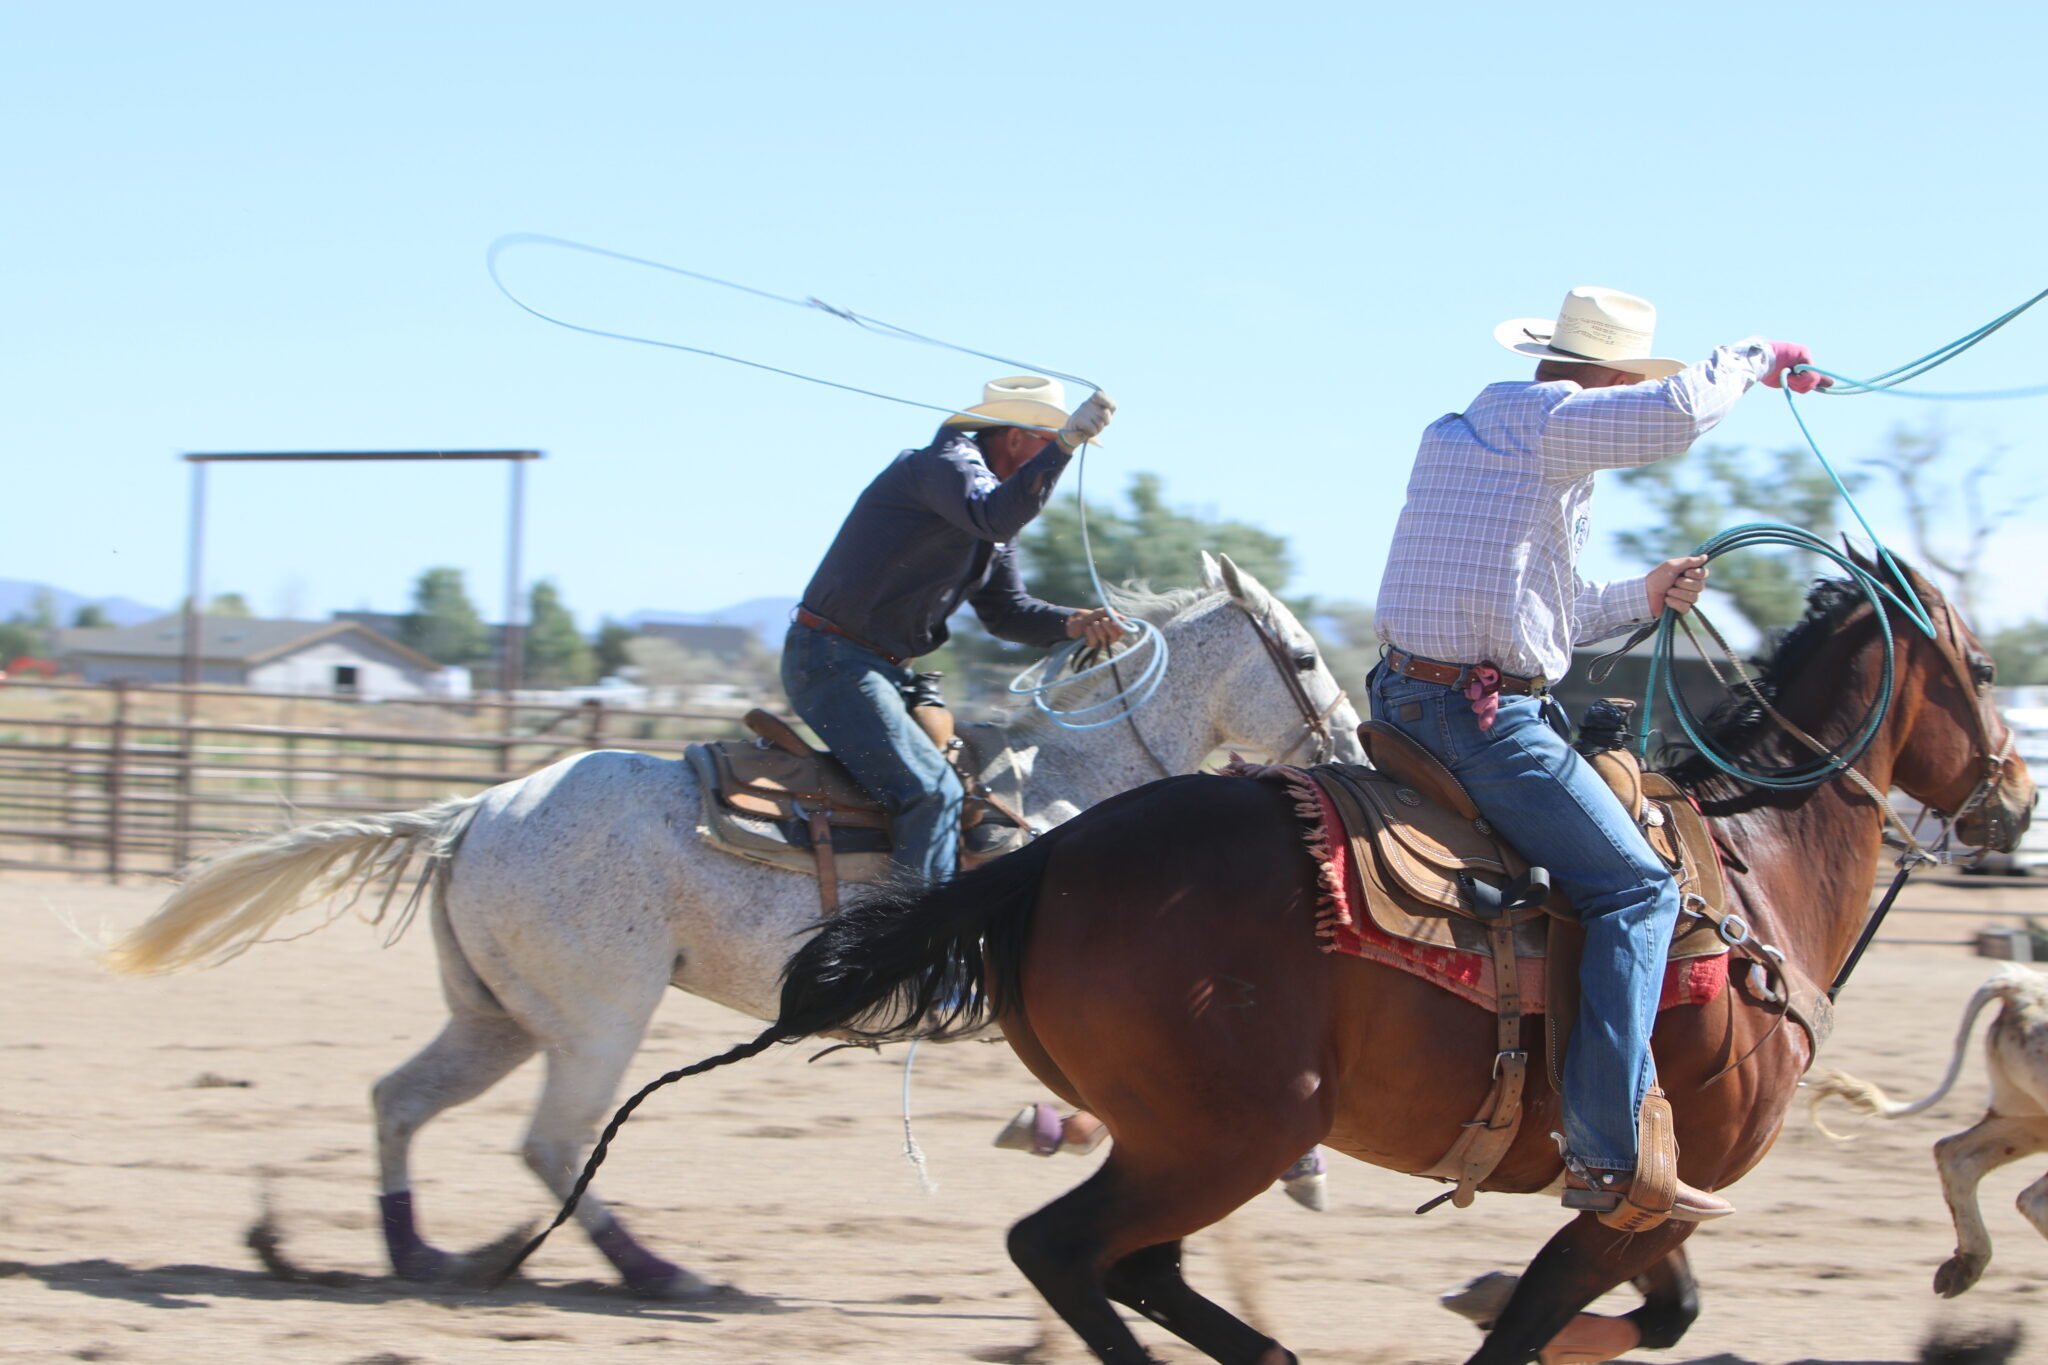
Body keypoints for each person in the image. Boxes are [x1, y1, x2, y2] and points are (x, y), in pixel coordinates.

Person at [1370, 286, 1830, 1226]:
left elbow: (1551, 615)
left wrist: (1645, 592)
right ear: (1608, 379)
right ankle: (1607, 1144)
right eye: (1626, 384)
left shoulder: (1468, 436)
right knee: (1638, 889)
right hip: (1482, 718)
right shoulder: (1552, 427)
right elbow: (1677, 415)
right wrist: (1757, 353)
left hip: (1407, 696)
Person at [782, 375, 1119, 884]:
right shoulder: (943, 467)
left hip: (877, 670)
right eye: (1050, 442)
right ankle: (910, 951)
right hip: (833, 661)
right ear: (1015, 437)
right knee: (933, 792)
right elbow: (995, 517)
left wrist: (1071, 622)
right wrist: (1067, 445)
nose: (1054, 464)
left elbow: (1005, 610)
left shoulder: (987, 506)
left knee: (975, 791)